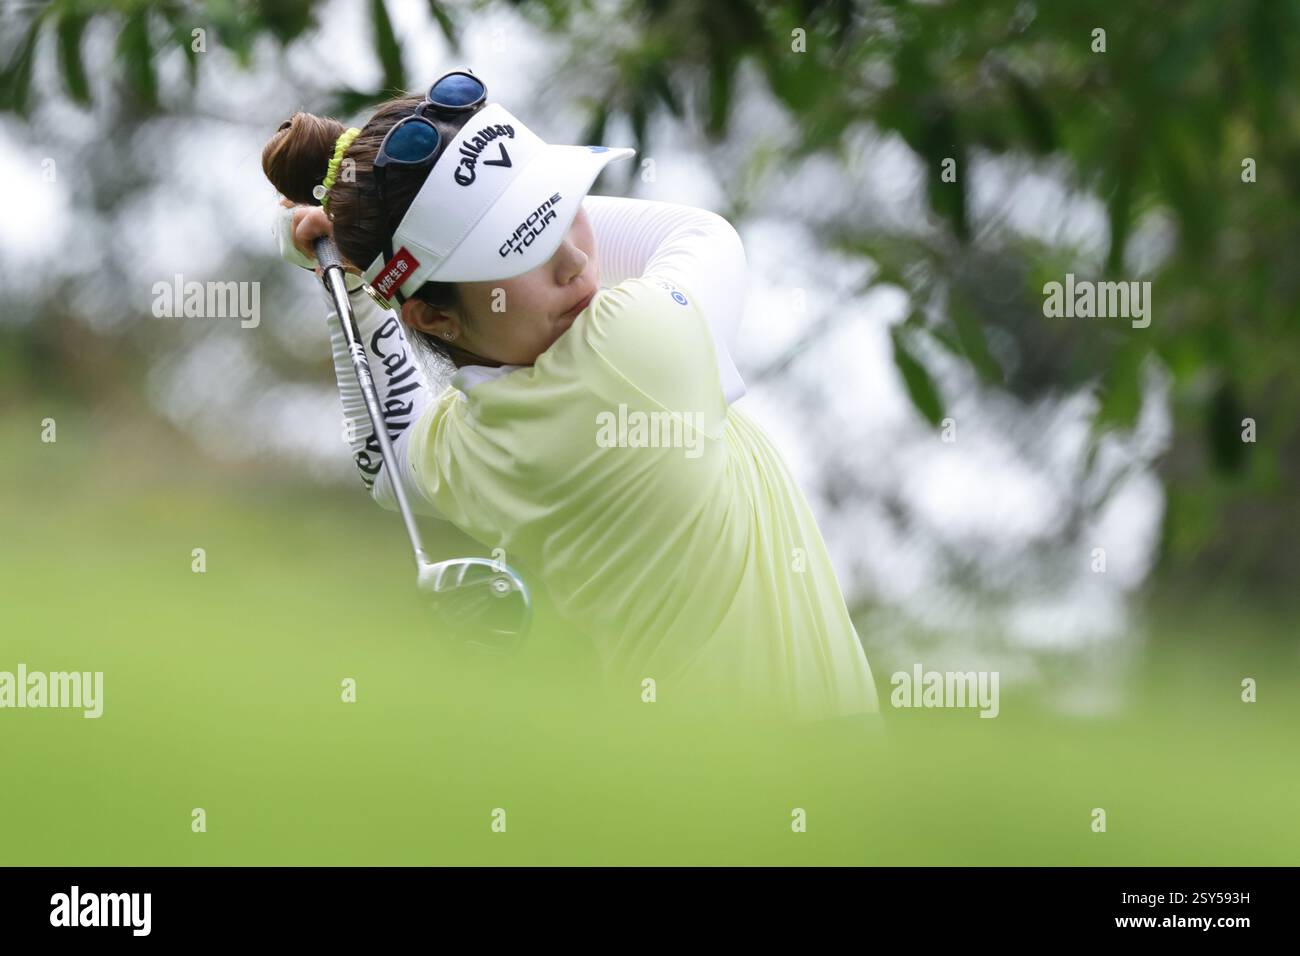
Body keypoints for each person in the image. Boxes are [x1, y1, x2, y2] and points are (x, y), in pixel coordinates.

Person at [263, 69, 881, 727]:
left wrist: (353, 279)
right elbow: (703, 237)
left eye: (561, 209)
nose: (574, 262)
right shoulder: (634, 346)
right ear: (436, 318)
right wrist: (375, 257)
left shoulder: (475, 445)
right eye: (518, 247)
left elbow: (390, 462)